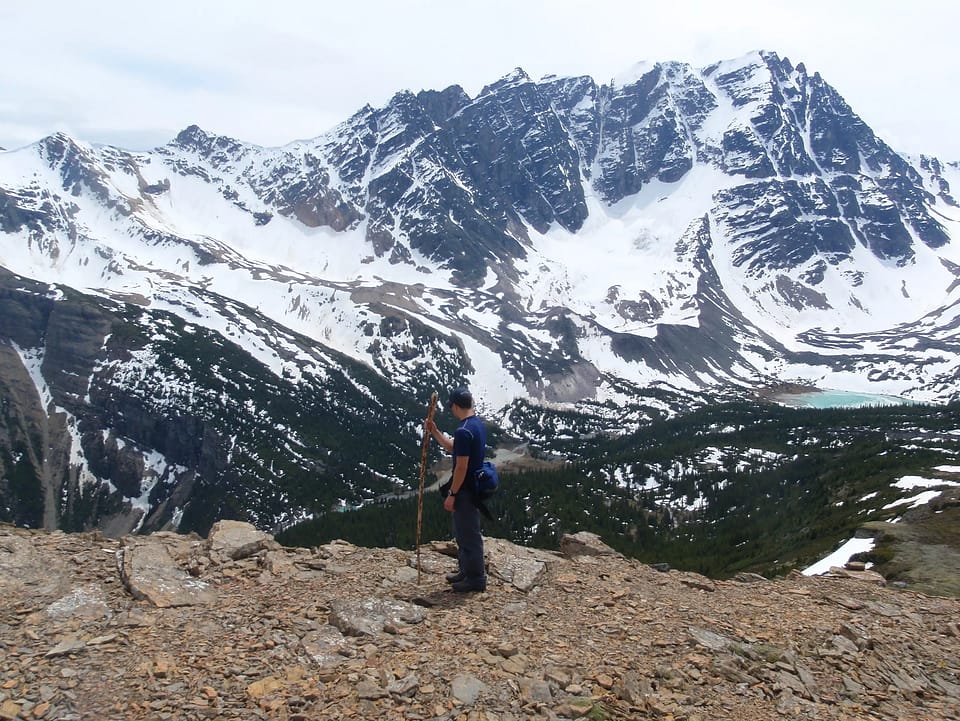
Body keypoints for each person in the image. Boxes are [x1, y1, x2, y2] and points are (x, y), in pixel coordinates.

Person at [425, 387, 487, 592]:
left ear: (454, 405)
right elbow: (454, 447)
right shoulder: (475, 425)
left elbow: (461, 466)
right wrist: (435, 432)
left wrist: (452, 493)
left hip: (465, 490)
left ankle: (476, 578)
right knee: (464, 532)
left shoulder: (463, 430)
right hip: (474, 486)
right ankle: (466, 570)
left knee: (468, 534)